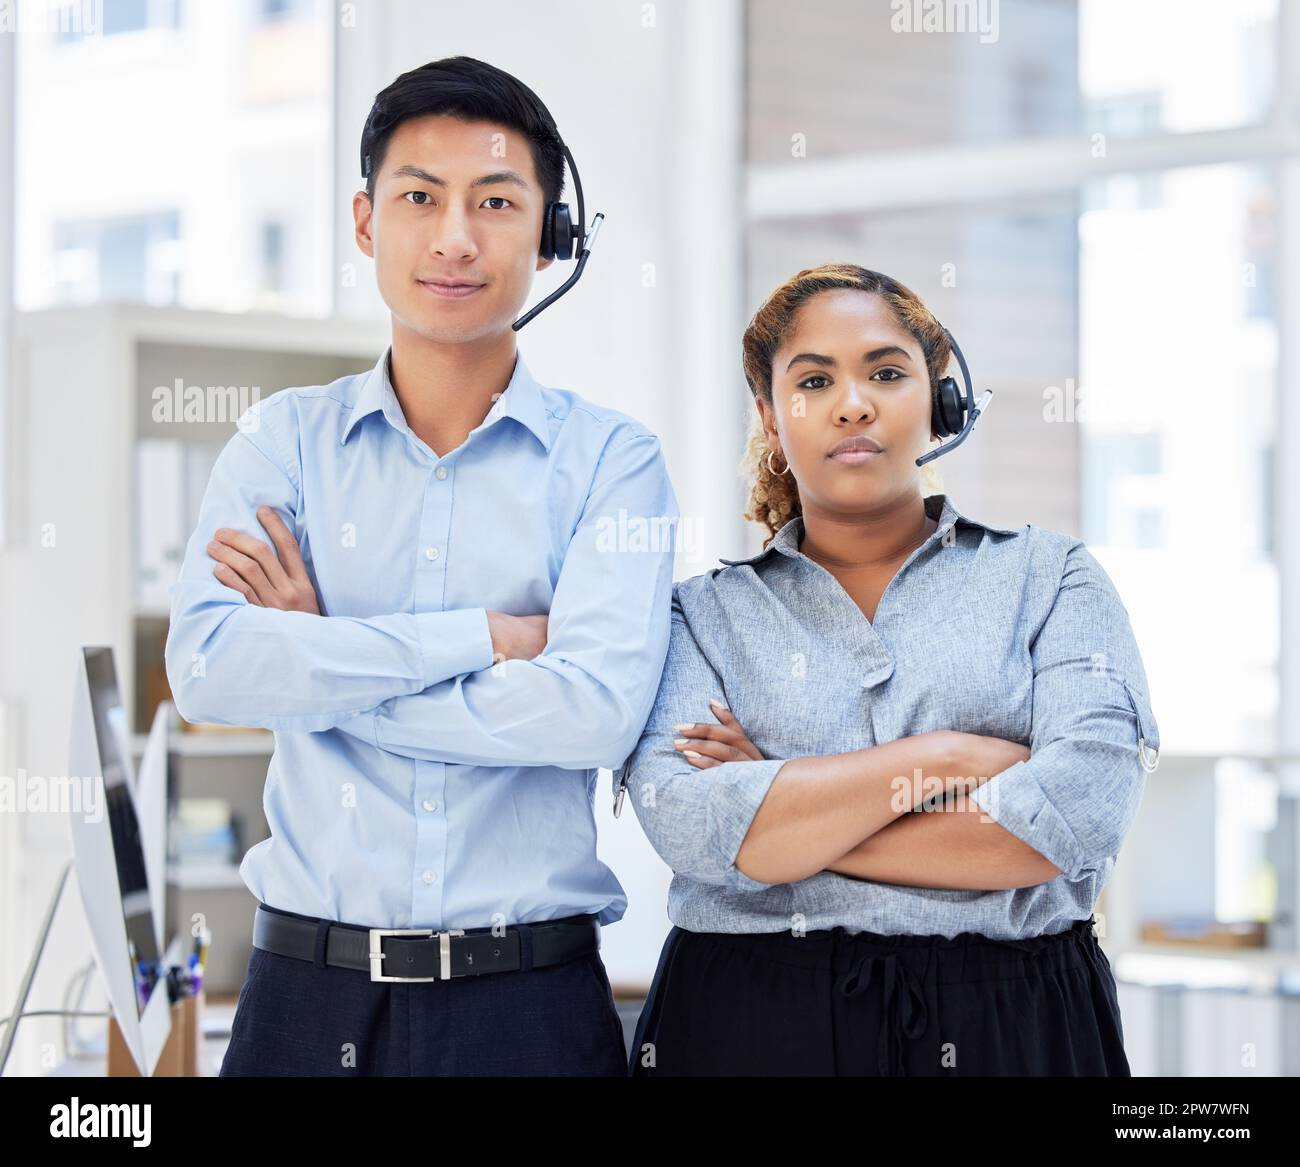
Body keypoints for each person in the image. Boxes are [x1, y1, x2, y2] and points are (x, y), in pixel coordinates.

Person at [164, 56, 678, 1076]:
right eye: (418, 198)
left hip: (527, 1008)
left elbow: (591, 714)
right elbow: (210, 672)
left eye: (495, 201)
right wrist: (479, 638)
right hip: (304, 1006)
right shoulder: (282, 444)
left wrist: (318, 663)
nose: (453, 237)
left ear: (548, 235)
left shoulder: (613, 463)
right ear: (365, 223)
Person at [615, 263, 1161, 1077]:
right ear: (769, 415)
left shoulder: (1055, 579)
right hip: (753, 1023)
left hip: (1013, 1021)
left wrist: (777, 805)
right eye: (813, 379)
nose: (853, 402)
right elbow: (694, 828)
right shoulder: (694, 615)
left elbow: (1071, 820)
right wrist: (947, 759)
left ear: (940, 401)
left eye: (886, 372)